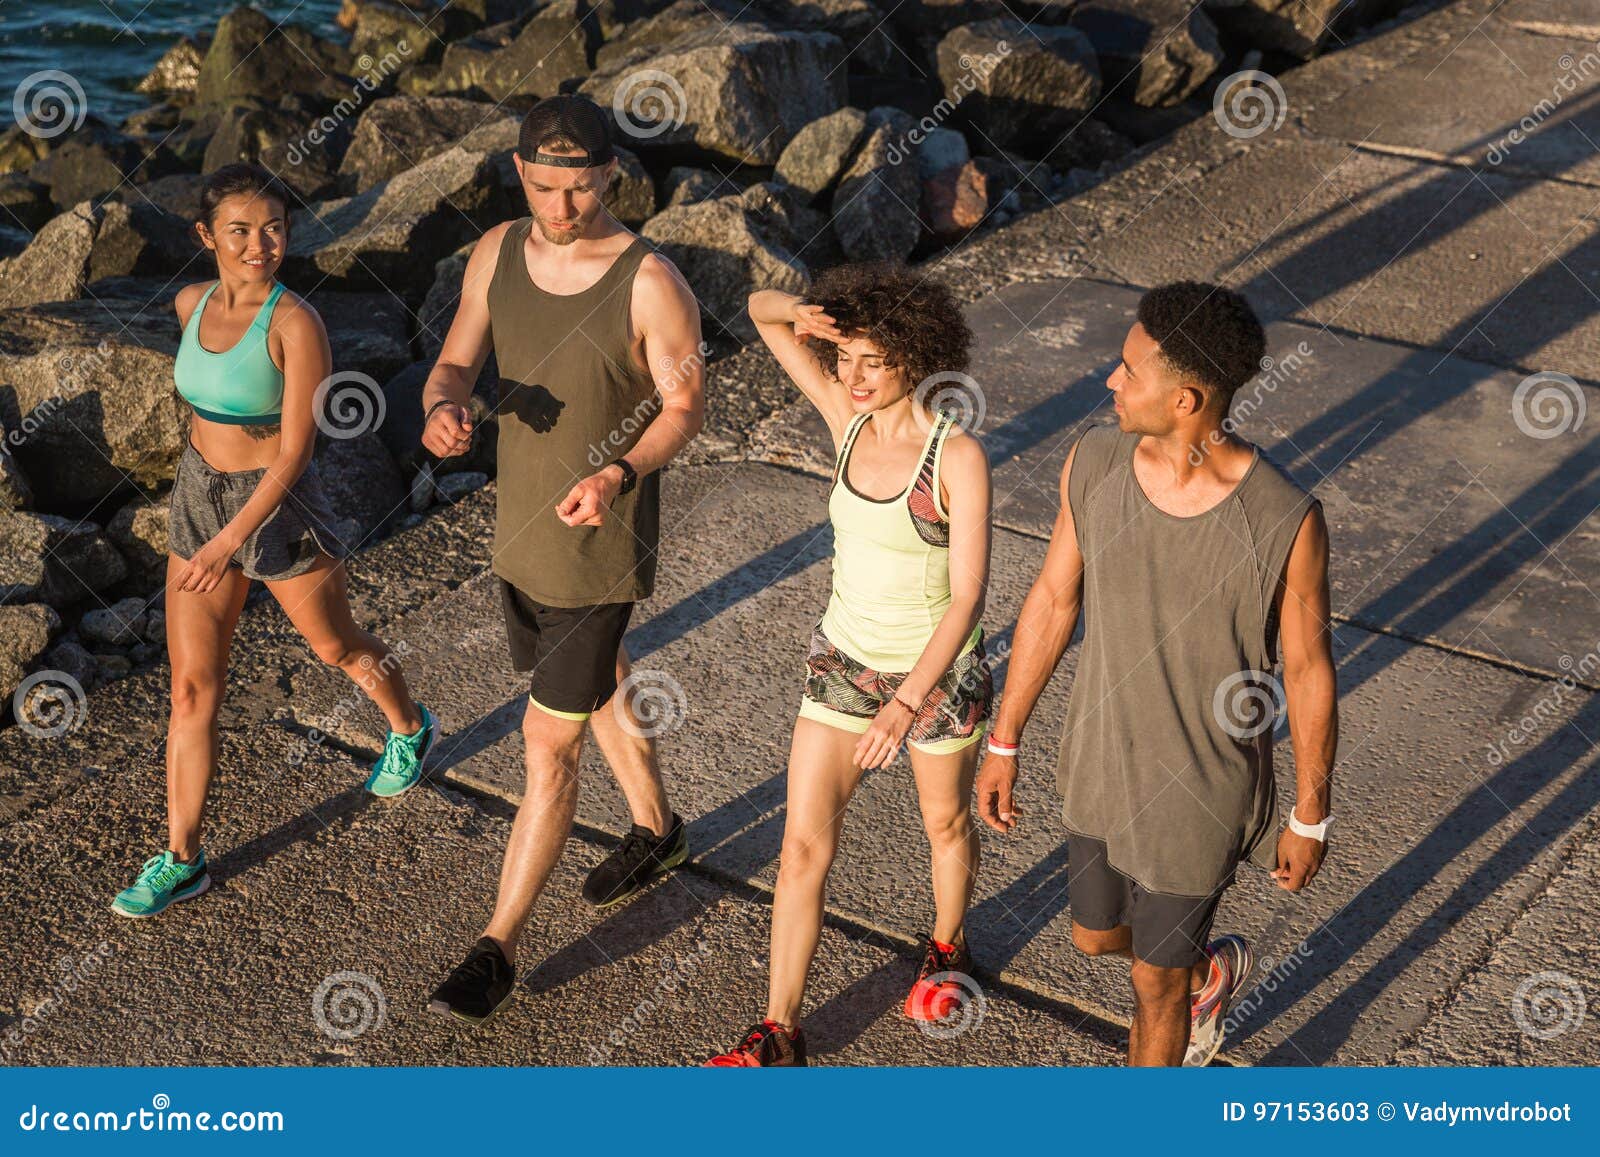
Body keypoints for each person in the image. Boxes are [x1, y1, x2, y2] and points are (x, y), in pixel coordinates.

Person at [974, 281, 1337, 1066]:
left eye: (1129, 370)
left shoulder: (1285, 520)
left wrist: (1310, 813)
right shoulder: (1095, 461)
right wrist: (1004, 738)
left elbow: (1309, 672)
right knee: (1095, 935)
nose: (1110, 380)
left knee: (1152, 991)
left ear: (1186, 398)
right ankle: (1210, 972)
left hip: (1201, 796)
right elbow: (1052, 597)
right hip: (1100, 765)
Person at [419, 95, 705, 1025]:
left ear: (611, 176)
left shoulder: (651, 280)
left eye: (579, 189)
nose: (560, 207)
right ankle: (660, 831)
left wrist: (619, 472)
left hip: (594, 544)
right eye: (543, 186)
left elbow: (683, 408)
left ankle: (495, 944)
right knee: (595, 682)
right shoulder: (497, 250)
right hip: (519, 530)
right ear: (519, 172)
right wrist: (444, 407)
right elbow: (455, 360)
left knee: (549, 746)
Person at [112, 163, 436, 918]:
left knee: (336, 646)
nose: (260, 245)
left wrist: (230, 539)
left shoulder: (297, 325)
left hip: (280, 504)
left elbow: (295, 453)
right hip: (201, 496)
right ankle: (182, 857)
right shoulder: (190, 303)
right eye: (240, 230)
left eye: (274, 229)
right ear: (206, 236)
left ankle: (409, 726)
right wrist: (207, 522)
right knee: (192, 689)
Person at [704, 264, 994, 1067]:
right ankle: (779, 1031)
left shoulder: (956, 455)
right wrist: (808, 316)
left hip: (935, 676)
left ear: (916, 354)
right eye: (845, 359)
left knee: (944, 822)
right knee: (802, 848)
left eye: (874, 359)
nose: (853, 377)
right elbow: (757, 312)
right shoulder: (845, 417)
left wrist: (906, 703)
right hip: (844, 663)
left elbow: (969, 596)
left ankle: (947, 945)